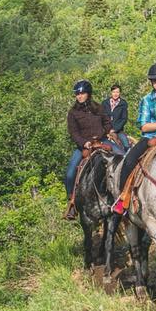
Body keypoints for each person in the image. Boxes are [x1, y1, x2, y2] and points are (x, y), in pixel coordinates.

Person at [110, 61, 156, 215]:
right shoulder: (146, 100)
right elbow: (143, 126)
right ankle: (123, 198)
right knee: (129, 161)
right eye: (154, 80)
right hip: (150, 139)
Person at [64, 79, 114, 220]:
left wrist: (108, 132)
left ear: (88, 94)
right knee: (70, 173)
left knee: (123, 157)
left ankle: (126, 196)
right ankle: (72, 203)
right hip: (84, 146)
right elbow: (73, 133)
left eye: (82, 93)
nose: (79, 96)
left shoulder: (98, 108)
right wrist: (84, 142)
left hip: (102, 142)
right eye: (77, 94)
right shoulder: (73, 113)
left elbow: (107, 122)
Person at [103, 83, 130, 152]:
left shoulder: (123, 103)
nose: (115, 94)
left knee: (126, 144)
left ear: (120, 93)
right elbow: (101, 117)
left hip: (118, 131)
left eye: (117, 92)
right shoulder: (104, 103)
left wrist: (115, 129)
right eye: (114, 92)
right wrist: (107, 129)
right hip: (105, 131)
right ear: (111, 92)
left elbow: (124, 119)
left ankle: (127, 157)